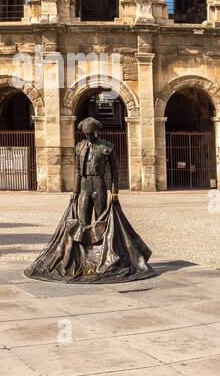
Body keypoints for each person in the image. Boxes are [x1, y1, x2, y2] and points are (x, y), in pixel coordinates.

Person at [24, 117, 154, 283]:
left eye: (90, 133)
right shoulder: (80, 147)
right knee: (82, 221)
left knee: (101, 221)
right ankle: (82, 257)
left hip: (99, 184)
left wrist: (114, 191)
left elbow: (114, 170)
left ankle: (102, 255)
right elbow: (78, 171)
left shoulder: (106, 146)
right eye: (85, 133)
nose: (88, 136)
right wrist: (75, 191)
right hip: (85, 185)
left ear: (95, 131)